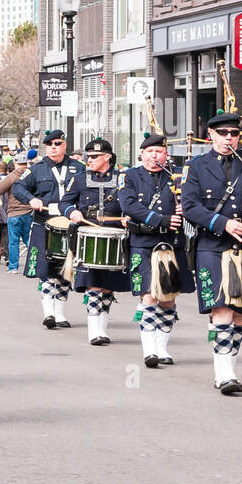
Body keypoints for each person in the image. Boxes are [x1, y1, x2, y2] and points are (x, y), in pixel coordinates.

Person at [181, 111, 242, 394]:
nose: (228, 139)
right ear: (210, 135)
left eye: (233, 134)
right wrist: (224, 223)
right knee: (221, 307)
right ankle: (224, 373)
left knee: (239, 313)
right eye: (222, 133)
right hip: (213, 244)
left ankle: (228, 365)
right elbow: (190, 206)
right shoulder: (196, 166)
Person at [117, 131, 193, 367]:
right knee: (149, 296)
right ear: (141, 154)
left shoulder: (178, 178)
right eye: (149, 151)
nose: (154, 156)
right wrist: (160, 219)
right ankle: (149, 349)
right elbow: (128, 204)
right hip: (143, 243)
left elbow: (193, 204)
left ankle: (162, 347)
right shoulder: (129, 176)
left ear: (166, 153)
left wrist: (185, 210)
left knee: (168, 299)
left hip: (172, 244)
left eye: (159, 151)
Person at [60, 138, 131, 346]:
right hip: (88, 235)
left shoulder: (121, 179)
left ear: (107, 157)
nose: (88, 160)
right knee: (93, 285)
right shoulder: (80, 179)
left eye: (93, 157)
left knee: (108, 287)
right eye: (87, 156)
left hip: (115, 236)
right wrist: (71, 211)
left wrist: (128, 216)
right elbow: (65, 201)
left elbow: (131, 202)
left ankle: (102, 327)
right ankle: (94, 331)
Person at [13, 129, 85, 328]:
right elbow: (18, 188)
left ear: (65, 146)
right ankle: (49, 313)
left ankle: (60, 315)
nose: (54, 147)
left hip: (69, 223)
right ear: (46, 147)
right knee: (46, 270)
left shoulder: (79, 167)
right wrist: (32, 199)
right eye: (50, 144)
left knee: (64, 270)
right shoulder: (37, 169)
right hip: (44, 222)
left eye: (58, 144)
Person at [0, 152, 33, 273]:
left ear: (15, 163)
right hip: (29, 211)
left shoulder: (13, 175)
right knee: (30, 240)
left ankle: (13, 267)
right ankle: (35, 264)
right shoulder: (32, 174)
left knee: (14, 241)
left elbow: (0, 190)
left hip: (14, 212)